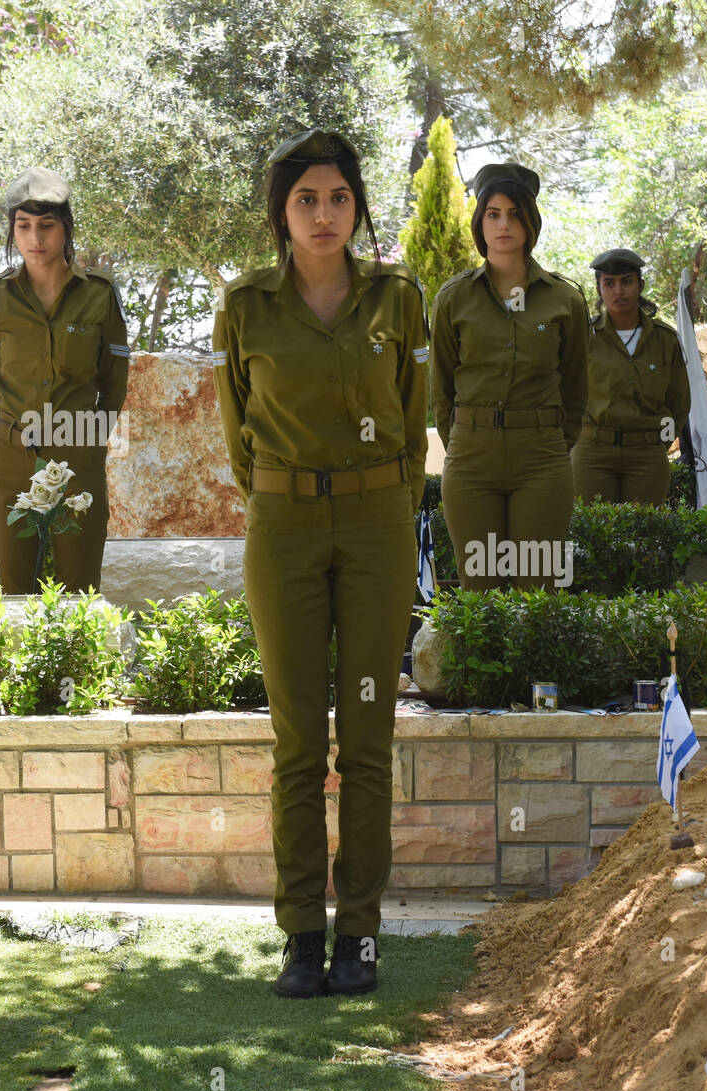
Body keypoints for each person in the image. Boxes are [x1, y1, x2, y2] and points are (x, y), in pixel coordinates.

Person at [212, 130, 428, 999]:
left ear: (356, 205)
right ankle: (303, 934)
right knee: (299, 742)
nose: (324, 214)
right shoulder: (247, 307)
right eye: (307, 199)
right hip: (285, 525)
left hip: (377, 522)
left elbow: (415, 424)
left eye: (338, 197)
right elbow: (237, 432)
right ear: (282, 213)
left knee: (368, 742)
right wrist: (282, 495)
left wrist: (390, 506)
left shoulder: (399, 299)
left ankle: (362, 936)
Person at [431, 162, 589, 590]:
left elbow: (576, 387)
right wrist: (464, 440)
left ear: (531, 222)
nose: (504, 224)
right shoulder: (453, 298)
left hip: (541, 460)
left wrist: (553, 443)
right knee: (480, 592)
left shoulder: (564, 299)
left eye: (515, 214)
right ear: (480, 222)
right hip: (470, 461)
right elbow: (442, 387)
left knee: (537, 590)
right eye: (493, 213)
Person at [0, 167, 130, 592]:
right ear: (13, 231)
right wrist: (6, 429)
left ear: (66, 228)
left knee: (79, 586)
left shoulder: (99, 293)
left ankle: (78, 661)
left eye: (46, 225)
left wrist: (90, 438)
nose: (34, 238)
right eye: (23, 226)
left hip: (78, 448)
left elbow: (114, 379)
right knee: (15, 586)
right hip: (12, 453)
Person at [572, 248, 690, 506]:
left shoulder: (664, 339)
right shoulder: (583, 336)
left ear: (640, 285)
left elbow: (679, 401)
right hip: (592, 454)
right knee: (593, 535)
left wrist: (660, 443)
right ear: (599, 289)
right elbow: (565, 393)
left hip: (646, 455)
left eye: (626, 281)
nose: (618, 291)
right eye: (609, 283)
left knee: (644, 538)